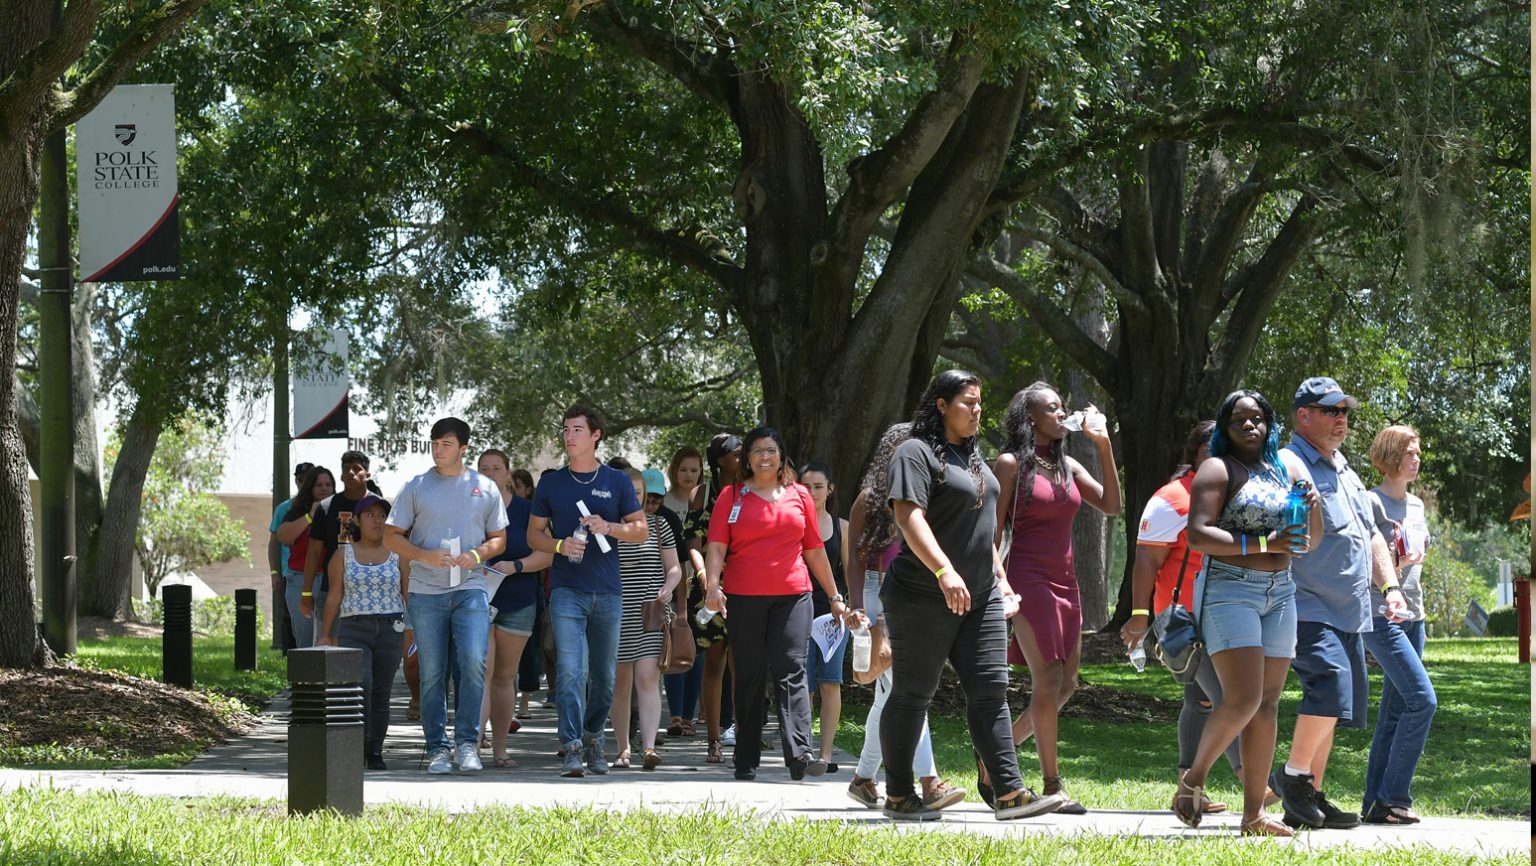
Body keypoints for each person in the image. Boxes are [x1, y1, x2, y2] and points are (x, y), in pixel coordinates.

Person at [879, 369, 1055, 821]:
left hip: (980, 597)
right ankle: (898, 794)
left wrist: (1000, 579)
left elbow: (985, 531)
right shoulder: (914, 453)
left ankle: (1009, 793)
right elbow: (908, 517)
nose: (977, 411)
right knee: (914, 694)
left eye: (980, 403)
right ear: (941, 405)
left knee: (992, 691)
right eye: (967, 403)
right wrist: (942, 570)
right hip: (922, 594)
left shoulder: (975, 461)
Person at [1176, 389, 1321, 836]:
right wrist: (1263, 544)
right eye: (1238, 419)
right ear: (1225, 426)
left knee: (1268, 703)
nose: (1249, 425)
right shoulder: (1217, 469)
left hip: (1280, 591)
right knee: (1242, 698)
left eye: (1257, 418)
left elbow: (1308, 541)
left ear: (1269, 423)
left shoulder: (1284, 470)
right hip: (1230, 589)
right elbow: (1198, 534)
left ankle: (1253, 815)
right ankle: (1194, 777)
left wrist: (1311, 510)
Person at [1271, 377, 1406, 830]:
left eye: (1345, 411)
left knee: (1337, 706)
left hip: (1351, 611)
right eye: (1330, 411)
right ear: (1302, 416)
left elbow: (1370, 536)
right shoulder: (1288, 463)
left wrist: (1390, 589)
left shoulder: (1345, 468)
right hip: (1307, 604)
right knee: (1327, 686)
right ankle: (1291, 779)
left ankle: (1310, 796)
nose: (1341, 419)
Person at [994, 382, 1121, 814]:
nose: (1062, 413)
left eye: (1062, 406)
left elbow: (1110, 505)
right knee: (1046, 680)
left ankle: (995, 754)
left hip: (1067, 581)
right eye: (1052, 408)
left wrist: (1102, 446)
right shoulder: (1010, 465)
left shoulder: (1067, 464)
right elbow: (992, 534)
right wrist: (999, 583)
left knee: (1067, 683)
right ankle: (1052, 784)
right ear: (1031, 418)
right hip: (1028, 578)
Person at [702, 427, 848, 782]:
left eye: (770, 450)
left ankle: (799, 752)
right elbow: (717, 546)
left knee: (792, 669)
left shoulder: (798, 495)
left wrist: (834, 596)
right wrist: (712, 586)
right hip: (744, 596)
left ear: (781, 455)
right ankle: (746, 756)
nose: (764, 457)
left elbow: (813, 549)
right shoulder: (730, 496)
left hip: (794, 596)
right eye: (756, 451)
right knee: (749, 674)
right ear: (746, 459)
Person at [1122, 420, 1243, 814]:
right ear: (1196, 453)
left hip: (1224, 613)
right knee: (1232, 699)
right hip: (1185, 623)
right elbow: (1145, 561)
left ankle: (1188, 790)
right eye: (1214, 448)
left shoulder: (1233, 495)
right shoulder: (1173, 498)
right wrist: (1140, 616)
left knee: (1201, 700)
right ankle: (1254, 780)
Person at [845, 422, 965, 812]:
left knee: (893, 693)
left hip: (918, 593)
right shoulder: (868, 499)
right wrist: (858, 608)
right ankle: (930, 781)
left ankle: (864, 779)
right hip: (878, 592)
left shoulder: (929, 493)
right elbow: (854, 559)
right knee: (909, 689)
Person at [527, 405, 648, 778]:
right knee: (569, 671)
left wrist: (609, 527)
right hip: (567, 590)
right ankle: (571, 746)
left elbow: (640, 530)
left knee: (604, 676)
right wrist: (561, 546)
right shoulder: (551, 483)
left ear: (596, 435)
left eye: (577, 429)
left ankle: (593, 737)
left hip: (609, 592)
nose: (569, 436)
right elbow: (533, 535)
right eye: (565, 429)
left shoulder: (616, 481)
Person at [383, 418, 508, 775]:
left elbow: (500, 538)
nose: (439, 450)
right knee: (432, 672)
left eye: (447, 444)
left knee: (472, 661)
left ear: (464, 447)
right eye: (435, 443)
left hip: (470, 587)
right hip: (425, 591)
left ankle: (468, 744)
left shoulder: (484, 487)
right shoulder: (417, 486)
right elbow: (391, 536)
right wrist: (423, 556)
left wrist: (478, 554)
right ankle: (438, 748)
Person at [1360, 425, 1436, 824]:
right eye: (1410, 452)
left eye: (1418, 452)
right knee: (1423, 700)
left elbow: (1418, 555)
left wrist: (1416, 556)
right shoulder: (1370, 503)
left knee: (1395, 711)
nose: (1417, 458)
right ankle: (1394, 797)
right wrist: (1401, 562)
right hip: (1380, 614)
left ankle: (1375, 803)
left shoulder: (1418, 505)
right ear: (1390, 456)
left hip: (1414, 615)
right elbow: (1370, 562)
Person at [317, 493, 408, 770]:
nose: (377, 521)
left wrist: (414, 630)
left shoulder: (399, 554)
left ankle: (375, 750)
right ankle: (359, 745)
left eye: (382, 516)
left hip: (390, 627)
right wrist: (325, 633)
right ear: (357, 520)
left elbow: (408, 594)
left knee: (381, 691)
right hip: (354, 628)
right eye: (370, 515)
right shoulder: (343, 554)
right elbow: (334, 596)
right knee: (361, 685)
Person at [475, 448, 554, 768]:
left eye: (496, 468)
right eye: (484, 469)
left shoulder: (527, 510)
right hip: (476, 600)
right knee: (480, 673)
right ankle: (473, 743)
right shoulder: (468, 510)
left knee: (504, 677)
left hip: (518, 601)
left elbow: (548, 553)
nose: (490, 473)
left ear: (508, 474)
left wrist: (515, 565)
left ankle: (501, 748)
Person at [610, 468, 683, 770]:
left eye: (639, 492)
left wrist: (668, 587)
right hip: (614, 610)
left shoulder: (659, 524)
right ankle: (623, 748)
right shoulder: (608, 527)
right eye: (630, 491)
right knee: (620, 684)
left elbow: (676, 567)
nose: (635, 497)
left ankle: (650, 747)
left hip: (650, 610)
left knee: (647, 678)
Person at [688, 433, 742, 764]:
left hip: (746, 585)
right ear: (721, 460)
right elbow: (693, 545)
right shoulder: (702, 494)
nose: (743, 458)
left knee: (742, 664)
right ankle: (713, 740)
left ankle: (739, 731)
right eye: (737, 454)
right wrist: (706, 578)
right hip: (709, 587)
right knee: (714, 662)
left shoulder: (749, 491)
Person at [800, 461, 850, 773]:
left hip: (833, 615)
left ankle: (826, 754)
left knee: (831, 683)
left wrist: (852, 608)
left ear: (830, 489)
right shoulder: (792, 524)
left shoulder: (842, 527)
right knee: (804, 684)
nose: (813, 492)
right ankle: (803, 750)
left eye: (819, 486)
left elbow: (850, 572)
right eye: (806, 486)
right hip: (798, 612)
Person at [299, 451, 374, 645]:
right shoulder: (326, 507)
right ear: (340, 475)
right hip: (331, 589)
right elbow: (314, 552)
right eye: (346, 469)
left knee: (362, 647)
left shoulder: (378, 507)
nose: (350, 473)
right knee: (329, 648)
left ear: (367, 474)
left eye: (356, 469)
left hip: (369, 590)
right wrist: (306, 593)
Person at [661, 448, 706, 738]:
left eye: (694, 469)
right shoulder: (663, 503)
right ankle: (675, 714)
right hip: (668, 579)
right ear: (674, 471)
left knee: (696, 647)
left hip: (698, 582)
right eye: (683, 469)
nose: (689, 475)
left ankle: (689, 715)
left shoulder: (705, 500)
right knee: (672, 643)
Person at [274, 464, 333, 649]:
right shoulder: (296, 510)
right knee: (305, 640)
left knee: (330, 639)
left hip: (331, 582)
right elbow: (283, 536)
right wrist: (311, 516)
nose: (324, 488)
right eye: (319, 485)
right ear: (310, 488)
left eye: (328, 484)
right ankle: (305, 678)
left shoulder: (340, 510)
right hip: (300, 581)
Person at [267, 461, 314, 650]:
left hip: (320, 574)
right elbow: (274, 543)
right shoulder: (284, 509)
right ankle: (295, 667)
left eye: (308, 479)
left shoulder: (326, 506)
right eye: (300, 479)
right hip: (291, 575)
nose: (303, 483)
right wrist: (275, 573)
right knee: (294, 622)